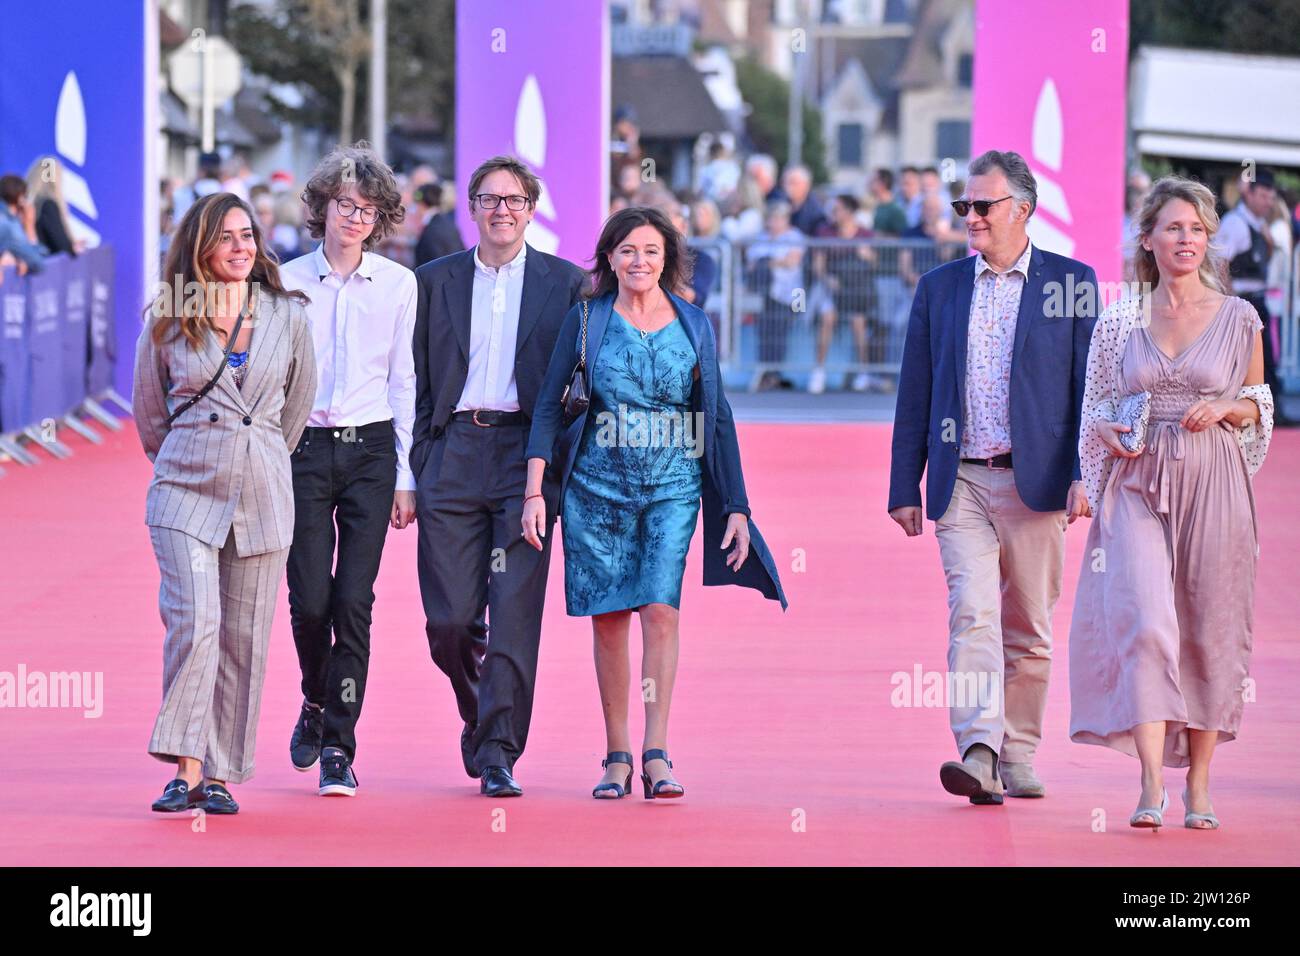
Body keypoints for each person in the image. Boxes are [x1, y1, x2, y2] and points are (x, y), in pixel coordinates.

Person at [523, 205, 787, 800]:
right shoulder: (586, 320)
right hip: (595, 487)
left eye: (650, 251)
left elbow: (716, 415)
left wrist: (738, 505)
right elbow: (547, 405)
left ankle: (657, 752)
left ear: (667, 258)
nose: (638, 261)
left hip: (673, 485)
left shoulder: (694, 323)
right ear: (609, 259)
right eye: (627, 251)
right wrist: (535, 488)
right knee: (610, 616)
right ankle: (617, 754)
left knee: (661, 610)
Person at [888, 149, 1098, 806]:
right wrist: (904, 485)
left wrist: (1085, 474)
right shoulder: (941, 288)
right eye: (964, 207)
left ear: (1023, 209)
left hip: (1038, 485)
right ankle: (978, 749)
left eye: (983, 206)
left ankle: (1019, 752)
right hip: (964, 483)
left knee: (1030, 626)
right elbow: (915, 391)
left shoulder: (1073, 282)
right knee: (972, 614)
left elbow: (1091, 389)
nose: (970, 217)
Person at [1072, 177, 1273, 830]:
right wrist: (1103, 434)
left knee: (1210, 629)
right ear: (1149, 240)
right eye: (1173, 228)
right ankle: (1152, 783)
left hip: (1215, 482)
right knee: (1149, 620)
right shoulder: (1120, 318)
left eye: (1196, 229)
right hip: (1136, 480)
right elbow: (1099, 402)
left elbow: (1259, 405)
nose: (1186, 239)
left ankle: (1203, 786)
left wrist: (1228, 406)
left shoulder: (1241, 317)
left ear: (1209, 239)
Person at [132, 192, 317, 815]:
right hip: (184, 492)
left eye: (248, 235)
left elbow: (295, 409)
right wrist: (199, 454)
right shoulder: (167, 314)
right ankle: (184, 767)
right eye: (227, 237)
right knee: (197, 621)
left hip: (263, 493)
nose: (242, 248)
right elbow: (150, 414)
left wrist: (256, 455)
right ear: (200, 247)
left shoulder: (287, 314)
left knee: (244, 638)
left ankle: (220, 772)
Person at [411, 155, 586, 797]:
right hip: (452, 455)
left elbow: (579, 385)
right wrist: (421, 462)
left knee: (513, 614)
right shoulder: (432, 281)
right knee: (450, 622)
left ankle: (498, 753)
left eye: (514, 200)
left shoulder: (566, 284)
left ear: (531, 209)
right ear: (472, 208)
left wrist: (555, 472)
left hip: (526, 462)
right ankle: (478, 712)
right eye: (489, 199)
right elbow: (414, 379)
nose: (502, 210)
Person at [277, 143, 417, 797]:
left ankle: (339, 744)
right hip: (302, 449)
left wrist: (405, 474)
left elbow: (404, 380)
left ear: (380, 217)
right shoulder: (286, 280)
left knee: (353, 602)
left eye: (366, 209)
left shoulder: (397, 284)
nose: (354, 217)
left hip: (370, 451)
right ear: (322, 208)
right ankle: (314, 695)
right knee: (309, 602)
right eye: (344, 205)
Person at [1218, 168, 1290, 425]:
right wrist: (1231, 304)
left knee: (1268, 359)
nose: (1268, 202)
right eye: (1263, 195)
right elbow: (1220, 265)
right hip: (1242, 300)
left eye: (1271, 197)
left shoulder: (1259, 224)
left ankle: (1271, 411)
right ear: (1248, 194)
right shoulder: (1235, 223)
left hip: (1258, 300)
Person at [811, 194, 875, 394]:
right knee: (827, 317)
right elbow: (818, 266)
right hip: (833, 288)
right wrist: (828, 279)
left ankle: (864, 372)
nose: (834, 214)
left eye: (837, 209)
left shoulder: (865, 234)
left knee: (858, 323)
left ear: (849, 211)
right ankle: (819, 371)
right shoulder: (825, 232)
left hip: (856, 289)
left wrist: (868, 256)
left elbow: (875, 263)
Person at [745, 200, 805, 391]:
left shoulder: (795, 236)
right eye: (773, 218)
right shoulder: (761, 238)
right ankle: (765, 371)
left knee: (780, 333)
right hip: (765, 294)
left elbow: (791, 262)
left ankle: (775, 373)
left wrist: (767, 262)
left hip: (790, 294)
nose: (775, 222)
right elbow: (751, 264)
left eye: (780, 218)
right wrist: (772, 262)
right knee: (764, 332)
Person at [25, 157, 81, 256]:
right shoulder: (47, 205)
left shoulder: (31, 203)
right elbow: (61, 245)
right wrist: (72, 248)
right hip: (48, 266)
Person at [0, 174, 47, 274]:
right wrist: (30, 226)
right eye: (25, 197)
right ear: (20, 199)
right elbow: (38, 262)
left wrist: (14, 258)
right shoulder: (9, 224)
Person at [413, 182, 465, 267]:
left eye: (416, 204)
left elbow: (436, 266)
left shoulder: (432, 230)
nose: (415, 209)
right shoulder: (447, 223)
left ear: (422, 204)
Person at [868, 169, 908, 236]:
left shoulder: (895, 210)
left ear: (883, 183)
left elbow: (902, 236)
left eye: (873, 180)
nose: (869, 183)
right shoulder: (875, 206)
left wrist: (878, 236)